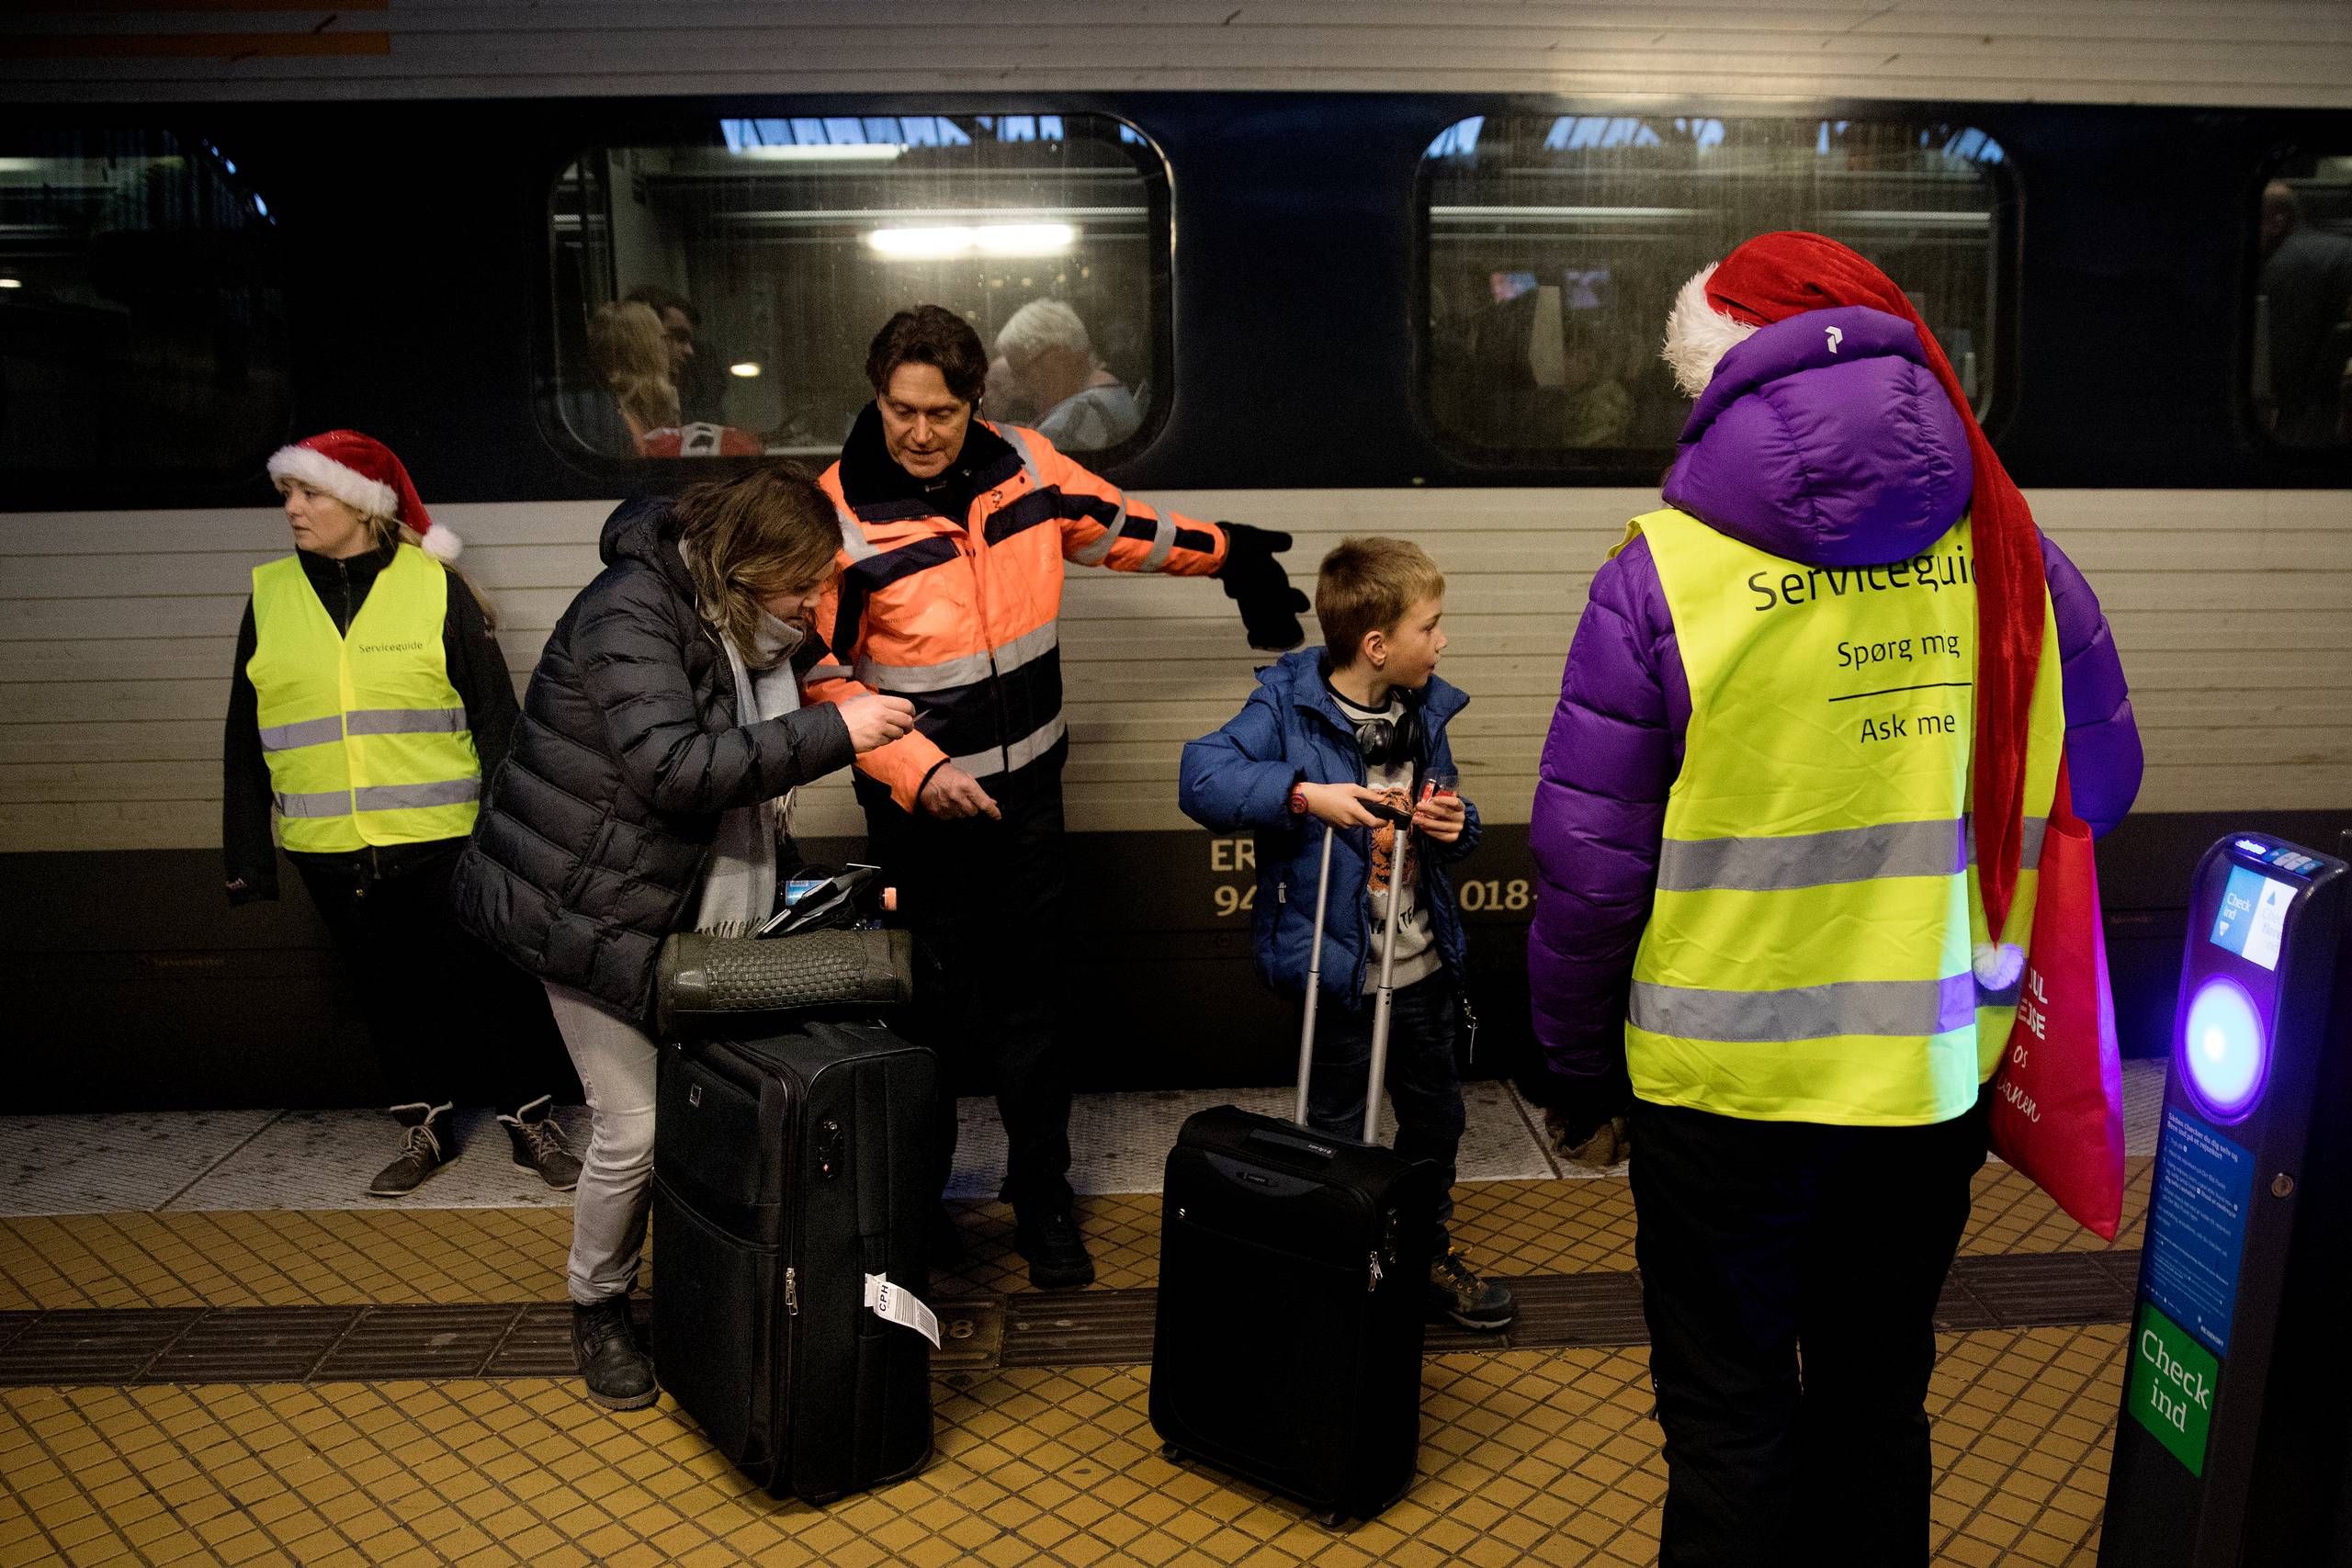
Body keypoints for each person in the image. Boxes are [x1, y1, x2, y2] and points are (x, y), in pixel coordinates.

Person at [1524, 231, 2143, 1567]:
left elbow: (1590, 861)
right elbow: (2106, 774)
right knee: (1875, 1397)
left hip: (1718, 1090)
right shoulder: (2018, 551)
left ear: (1714, 375)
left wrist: (1576, 1063)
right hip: (1925, 1079)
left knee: (1729, 1414)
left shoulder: (1663, 570)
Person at [804, 303, 1309, 1290]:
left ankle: (1043, 1205)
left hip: (1030, 797)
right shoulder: (838, 517)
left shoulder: (1025, 469)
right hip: (918, 819)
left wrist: (1229, 553)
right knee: (930, 1023)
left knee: (1033, 1011)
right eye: (901, 410)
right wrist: (917, 770)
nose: (918, 432)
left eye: (940, 413)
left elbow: (1121, 526)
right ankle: (926, 1215)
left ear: (973, 406)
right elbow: (816, 670)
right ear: (877, 399)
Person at [451, 466, 917, 1409]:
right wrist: (838, 730)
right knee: (639, 1126)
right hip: (585, 906)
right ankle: (598, 1304)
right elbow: (672, 767)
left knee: (716, 1114)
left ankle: (715, 1283)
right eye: (798, 586)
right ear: (738, 566)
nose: (812, 604)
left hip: (687, 904)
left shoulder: (741, 617)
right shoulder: (629, 610)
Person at [223, 430, 580, 1199]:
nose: (292, 507)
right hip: (330, 847)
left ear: (360, 503)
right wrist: (249, 854)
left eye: (308, 492)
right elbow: (243, 729)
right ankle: (424, 1123)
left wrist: (513, 837)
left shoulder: (434, 586)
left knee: (495, 982)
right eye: (289, 492)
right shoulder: (271, 593)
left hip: (447, 839)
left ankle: (530, 1117)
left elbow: (496, 721)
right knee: (387, 992)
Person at [1177, 537, 1516, 1333]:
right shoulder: (1287, 705)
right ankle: (1335, 1258)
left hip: (1423, 968)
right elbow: (1202, 775)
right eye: (1430, 627)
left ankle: (1421, 1253)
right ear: (1377, 645)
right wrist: (1304, 795)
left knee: (1435, 1122)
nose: (1442, 642)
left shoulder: (1425, 709)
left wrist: (1455, 821)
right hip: (1341, 974)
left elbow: (1452, 819)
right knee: (1335, 1131)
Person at [586, 299, 760, 459]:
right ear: (643, 349)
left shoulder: (647, 412)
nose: (668, 350)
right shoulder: (622, 424)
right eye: (663, 340)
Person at [2258, 180, 2352, 446]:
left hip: (2303, 410)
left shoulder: (2276, 267)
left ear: (2277, 220)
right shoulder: (2340, 253)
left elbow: (2282, 357)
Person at [993, 299, 1143, 451]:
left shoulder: (1076, 418)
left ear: (1060, 354)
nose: (1020, 387)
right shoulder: (1111, 394)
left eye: (1023, 372)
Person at [624, 282, 727, 425]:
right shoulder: (617, 415)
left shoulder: (683, 393)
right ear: (643, 336)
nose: (689, 351)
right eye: (678, 337)